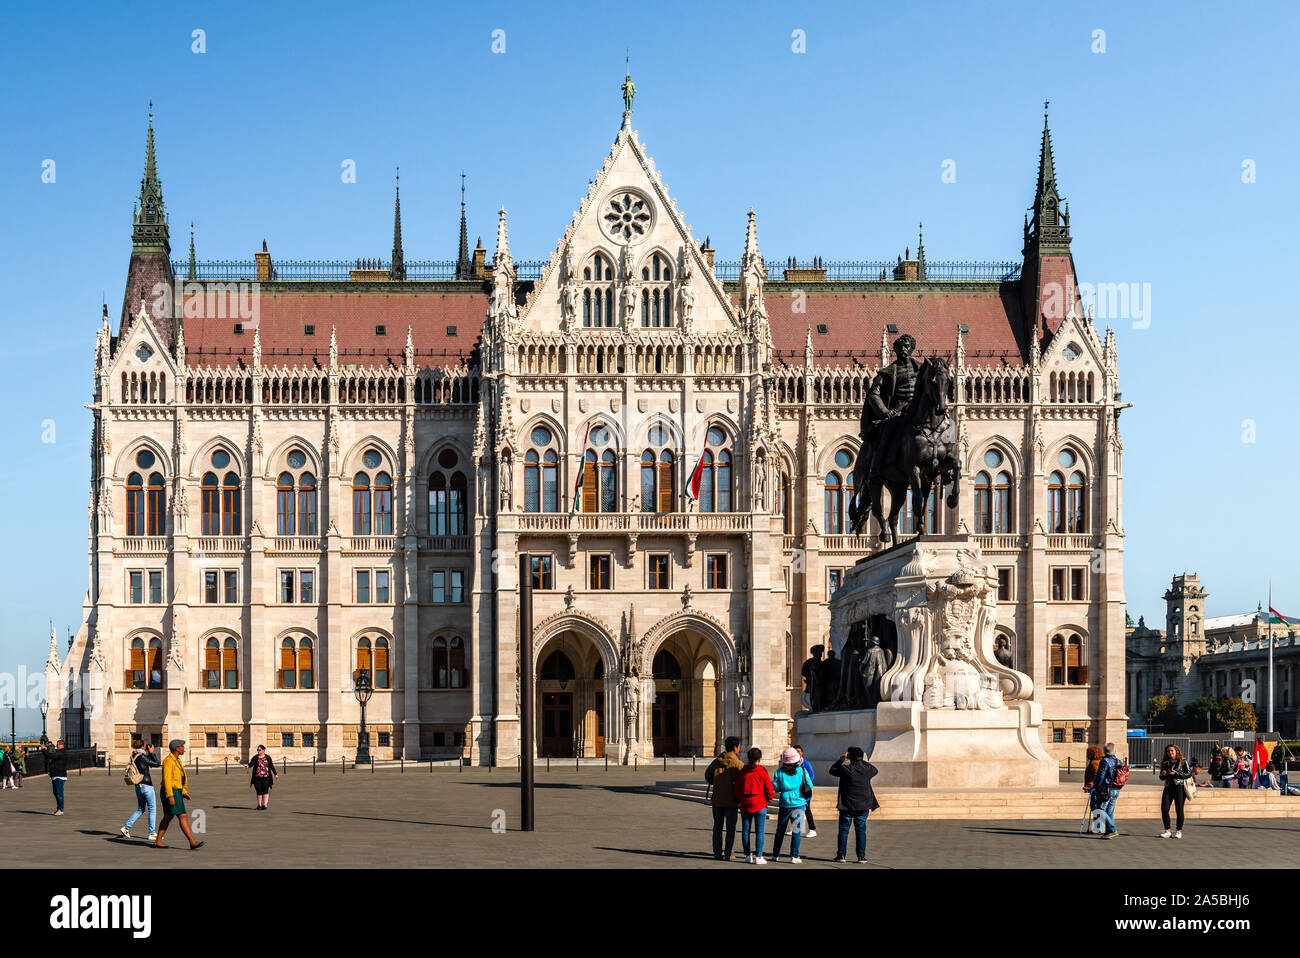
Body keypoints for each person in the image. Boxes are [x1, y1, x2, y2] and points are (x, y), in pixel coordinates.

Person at [829, 746, 880, 863]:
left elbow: (832, 770)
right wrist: (860, 760)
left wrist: (841, 760)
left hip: (847, 805)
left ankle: (841, 855)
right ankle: (861, 856)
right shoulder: (867, 769)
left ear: (849, 756)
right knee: (861, 830)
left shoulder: (846, 769)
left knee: (844, 830)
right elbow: (875, 769)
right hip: (863, 805)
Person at [154, 740, 204, 850]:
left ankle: (158, 841)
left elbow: (180, 778)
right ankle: (192, 841)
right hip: (170, 791)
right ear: (177, 748)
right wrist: (170, 796)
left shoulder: (177, 760)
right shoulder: (168, 761)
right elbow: (167, 779)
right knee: (182, 816)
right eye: (182, 746)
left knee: (168, 816)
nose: (184, 748)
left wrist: (184, 792)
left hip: (176, 791)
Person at [704, 736, 744, 861]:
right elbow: (742, 781)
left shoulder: (717, 761)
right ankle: (729, 853)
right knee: (730, 828)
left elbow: (707, 775)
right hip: (731, 801)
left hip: (717, 799)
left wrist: (717, 782)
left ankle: (717, 852)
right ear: (736, 748)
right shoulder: (738, 764)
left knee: (717, 827)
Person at [770, 747, 812, 863]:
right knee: (797, 831)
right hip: (799, 803)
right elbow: (809, 785)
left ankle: (775, 854)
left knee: (780, 830)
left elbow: (776, 788)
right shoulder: (802, 770)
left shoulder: (779, 772)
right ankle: (794, 856)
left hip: (785, 803)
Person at [734, 747, 775, 865]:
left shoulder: (743, 771)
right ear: (759, 759)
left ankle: (747, 855)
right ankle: (759, 856)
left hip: (745, 805)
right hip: (760, 804)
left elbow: (737, 789)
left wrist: (739, 800)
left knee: (745, 831)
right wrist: (769, 798)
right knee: (760, 832)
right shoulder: (762, 771)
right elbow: (769, 789)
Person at [120, 739, 160, 841]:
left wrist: (148, 754)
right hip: (146, 785)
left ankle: (126, 828)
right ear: (142, 746)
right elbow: (156, 763)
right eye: (145, 745)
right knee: (152, 809)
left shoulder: (134, 755)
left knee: (141, 809)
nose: (146, 747)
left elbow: (150, 763)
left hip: (138, 786)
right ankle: (152, 833)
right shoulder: (142, 757)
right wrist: (152, 753)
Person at [1157, 744, 1192, 838]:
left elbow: (1188, 774)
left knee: (1179, 809)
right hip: (1168, 787)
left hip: (1179, 787)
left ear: (1176, 751)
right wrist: (1163, 775)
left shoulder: (1182, 761)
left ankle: (1178, 831)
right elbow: (1161, 777)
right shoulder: (1165, 763)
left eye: (1172, 751)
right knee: (1164, 809)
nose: (1170, 753)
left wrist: (1176, 773)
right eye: (1168, 751)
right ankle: (1167, 830)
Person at [1090, 742, 1122, 838]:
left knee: (1099, 809)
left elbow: (1101, 775)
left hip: (1106, 789)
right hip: (1116, 788)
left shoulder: (1105, 761)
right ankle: (1108, 831)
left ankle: (1112, 829)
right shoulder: (1119, 761)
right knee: (1110, 811)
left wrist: (1095, 786)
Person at [245, 744, 279, 809]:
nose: (258, 751)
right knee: (258, 790)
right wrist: (248, 766)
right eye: (257, 750)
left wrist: (275, 774)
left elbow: (271, 766)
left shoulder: (268, 757)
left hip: (266, 777)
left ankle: (265, 805)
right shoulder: (255, 757)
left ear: (263, 750)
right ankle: (259, 805)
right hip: (257, 777)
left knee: (265, 790)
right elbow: (251, 763)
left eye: (259, 750)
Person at [795, 745, 818, 837]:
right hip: (796, 791)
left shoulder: (806, 763)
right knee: (796, 809)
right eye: (795, 751)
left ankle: (812, 829)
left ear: (802, 752)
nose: (797, 753)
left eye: (799, 751)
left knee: (807, 810)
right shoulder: (791, 764)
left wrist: (805, 782)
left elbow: (812, 776)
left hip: (805, 790)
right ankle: (797, 828)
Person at [46, 740, 68, 815]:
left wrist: (43, 750)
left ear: (61, 745)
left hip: (59, 775)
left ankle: (61, 809)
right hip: (55, 775)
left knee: (59, 793)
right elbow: (51, 754)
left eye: (57, 745)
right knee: (56, 793)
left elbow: (51, 755)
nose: (56, 746)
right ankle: (58, 808)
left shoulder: (62, 752)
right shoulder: (59, 752)